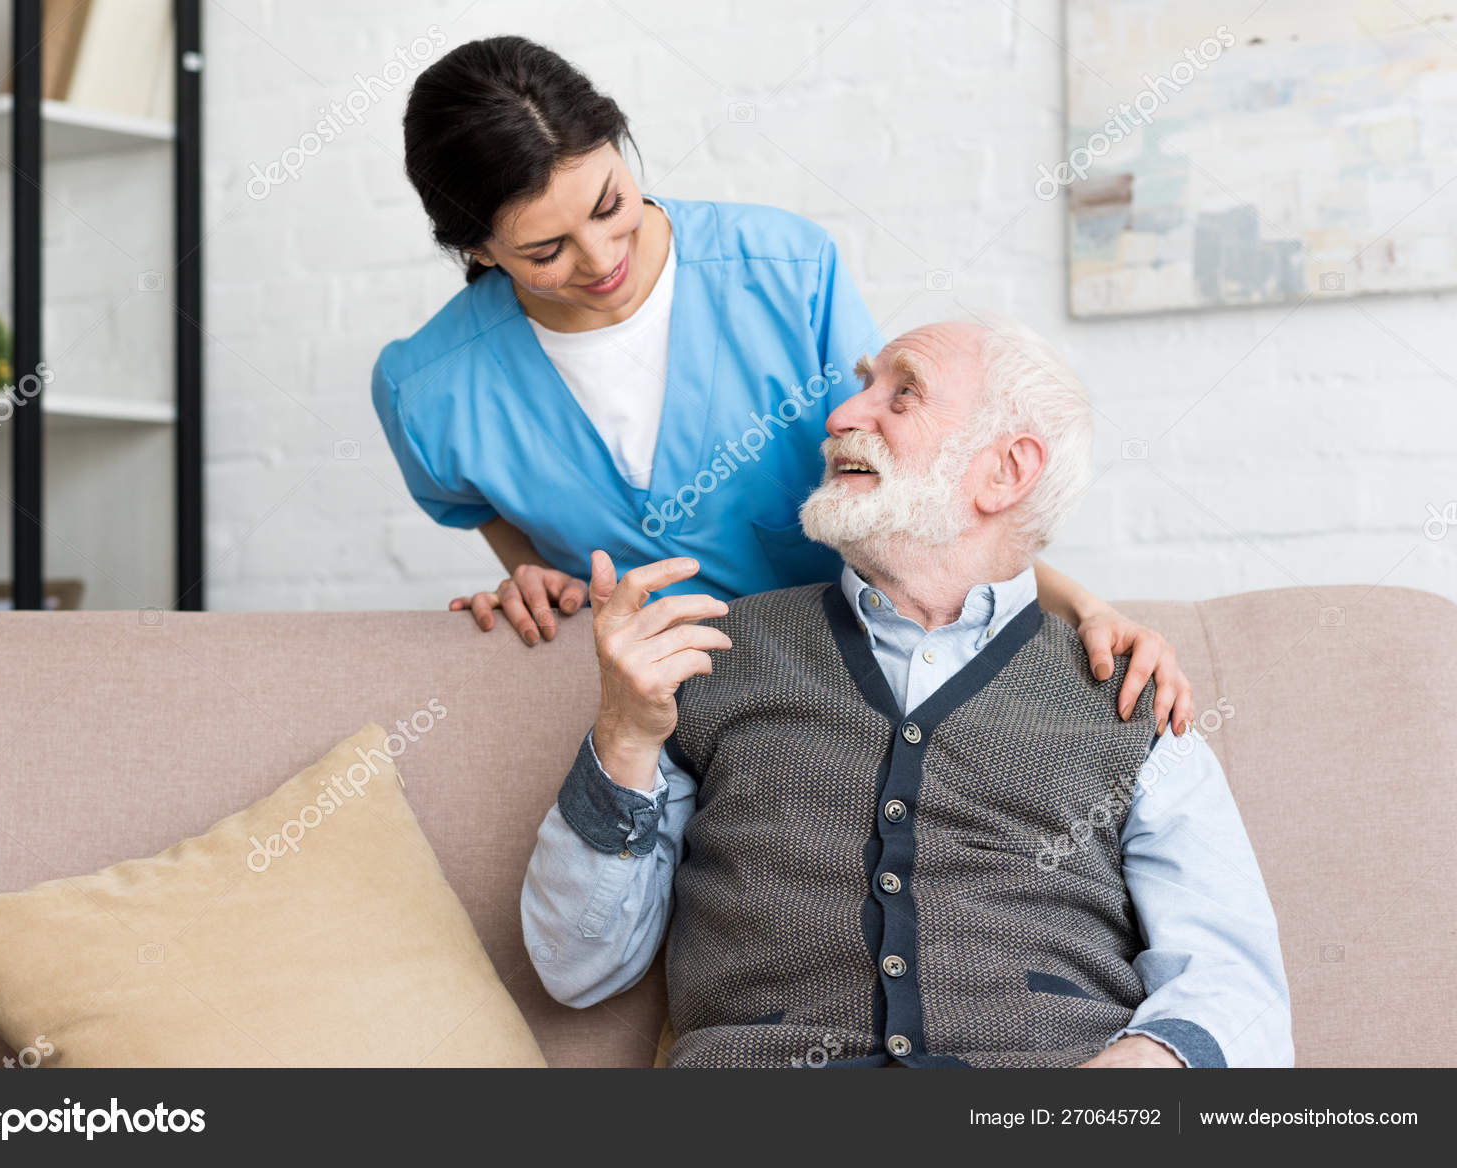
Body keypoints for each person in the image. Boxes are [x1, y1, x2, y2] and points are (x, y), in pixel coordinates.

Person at [521, 318, 1292, 1068]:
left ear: (1005, 471)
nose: (843, 416)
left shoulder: (1134, 699)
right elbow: (576, 968)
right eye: (864, 388)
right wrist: (623, 736)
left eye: (903, 394)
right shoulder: (713, 655)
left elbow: (1234, 984)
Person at [374, 35, 1194, 734]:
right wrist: (535, 574)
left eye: (611, 202)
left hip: (846, 693)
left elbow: (915, 487)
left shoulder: (787, 273)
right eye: (545, 251)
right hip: (653, 719)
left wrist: (1086, 607)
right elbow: (478, 503)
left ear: (621, 146)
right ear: (477, 250)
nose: (599, 260)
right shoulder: (427, 389)